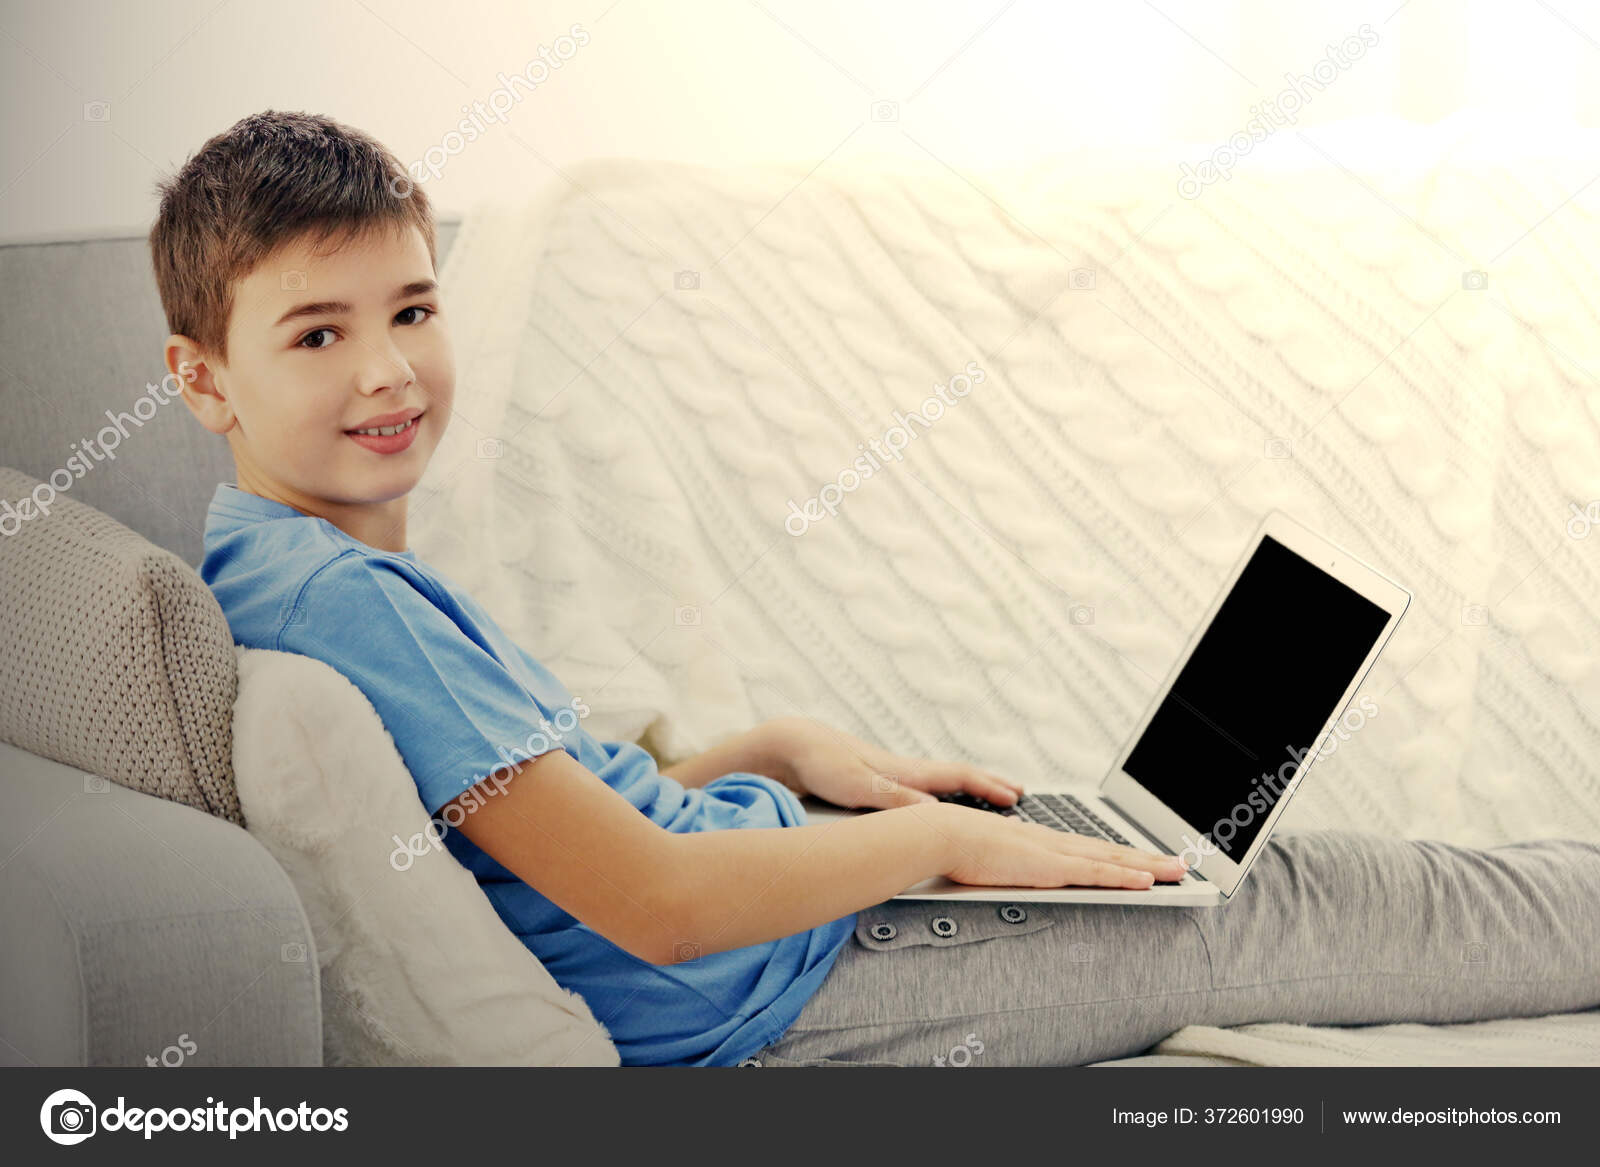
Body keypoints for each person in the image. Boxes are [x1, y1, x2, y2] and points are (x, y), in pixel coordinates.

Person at [153, 110, 1600, 1067]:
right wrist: (927, 850)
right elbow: (653, 906)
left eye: (410, 309)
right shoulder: (350, 606)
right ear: (200, 375)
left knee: (1230, 849)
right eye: (318, 334)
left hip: (788, 919)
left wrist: (766, 760)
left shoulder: (290, 563)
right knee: (1294, 901)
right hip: (794, 995)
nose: (388, 369)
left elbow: (543, 821)